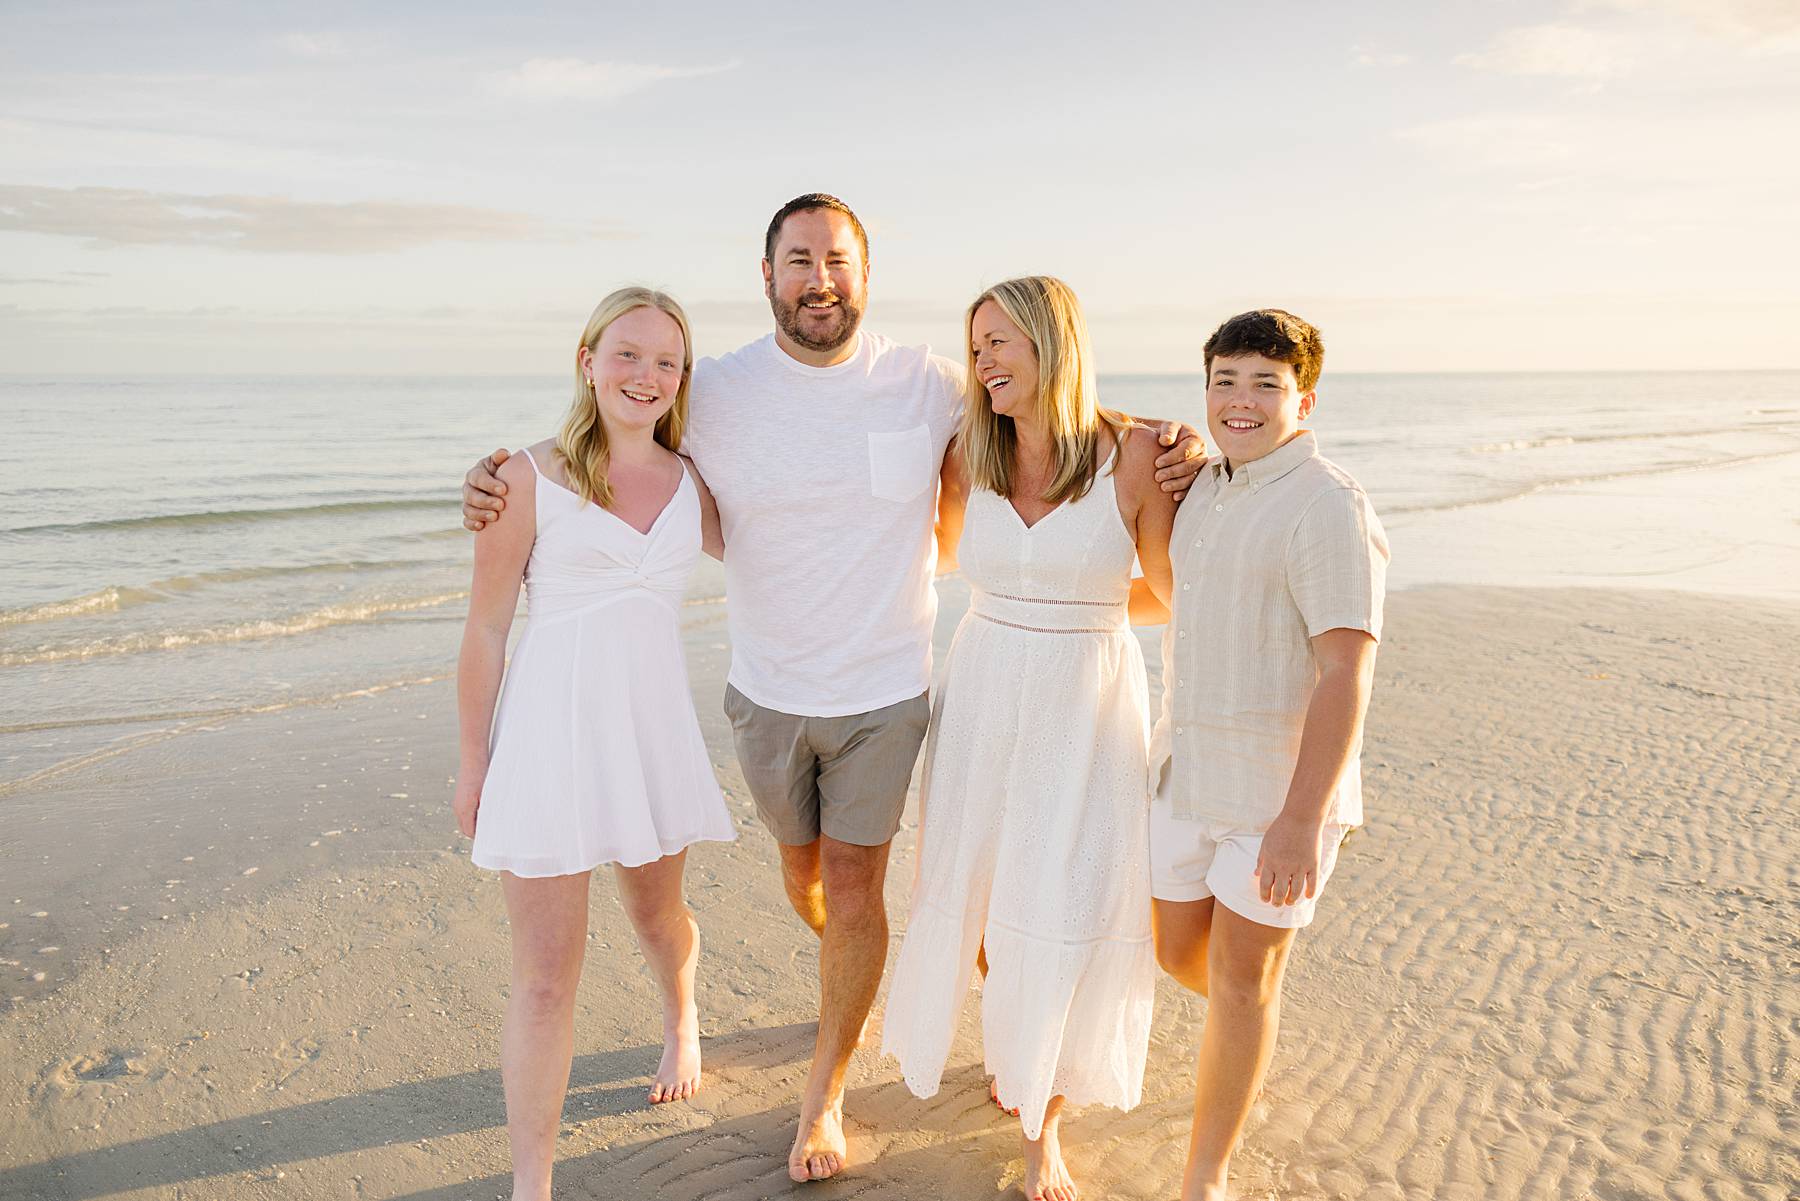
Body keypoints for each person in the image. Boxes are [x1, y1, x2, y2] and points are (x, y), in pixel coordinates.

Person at [460, 194, 1208, 1183]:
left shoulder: (930, 382)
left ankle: (828, 1092)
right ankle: (859, 972)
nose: (821, 279)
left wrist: (1172, 436)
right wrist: (497, 475)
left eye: (839, 260)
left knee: (856, 890)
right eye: (800, 259)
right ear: (767, 275)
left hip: (886, 690)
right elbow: (619, 439)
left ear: (866, 273)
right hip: (765, 693)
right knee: (805, 880)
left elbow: (1048, 404)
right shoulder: (711, 388)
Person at [880, 276, 1175, 1201]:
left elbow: (1169, 590)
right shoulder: (968, 450)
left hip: (1086, 701)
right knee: (975, 882)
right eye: (975, 347)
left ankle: (1043, 1125)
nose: (984, 362)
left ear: (1055, 341)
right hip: (983, 691)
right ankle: (1010, 1041)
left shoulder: (1135, 455)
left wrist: (1080, 613)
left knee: (1062, 892)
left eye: (1000, 342)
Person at [454, 287, 736, 1201]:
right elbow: (486, 630)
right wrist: (474, 762)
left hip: (649, 736)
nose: (645, 375)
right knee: (544, 979)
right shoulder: (523, 478)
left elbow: (802, 543)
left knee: (660, 916)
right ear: (587, 361)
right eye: (626, 354)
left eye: (665, 360)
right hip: (547, 745)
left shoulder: (698, 482)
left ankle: (681, 1014)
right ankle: (530, 1184)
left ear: (682, 377)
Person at [1140, 310, 1388, 1201]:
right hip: (1187, 774)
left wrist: (1298, 821)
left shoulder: (1328, 504)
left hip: (1278, 797)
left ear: (1305, 397)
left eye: (1265, 385)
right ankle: (1247, 1035)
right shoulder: (1205, 484)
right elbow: (1097, 419)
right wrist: (1162, 437)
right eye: (1224, 382)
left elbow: (1346, 672)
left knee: (1242, 982)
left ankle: (1204, 1176)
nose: (1240, 402)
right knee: (1178, 956)